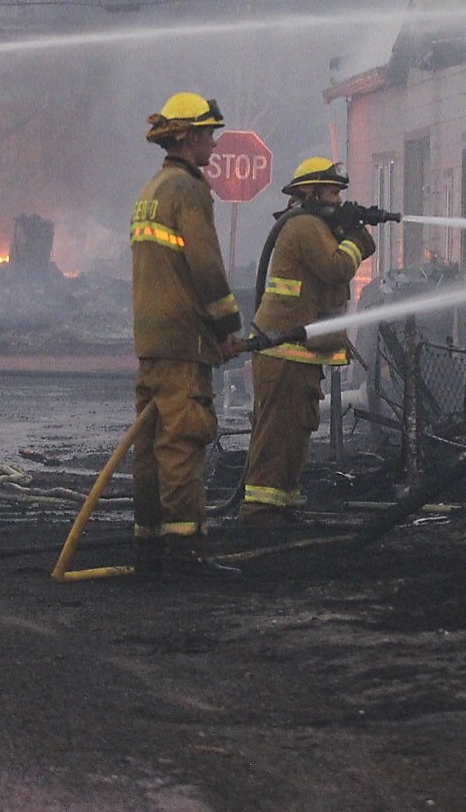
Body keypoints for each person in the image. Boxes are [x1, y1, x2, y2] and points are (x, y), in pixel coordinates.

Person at [130, 91, 245, 580]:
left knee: (152, 441)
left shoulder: (152, 189)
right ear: (188, 136)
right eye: (209, 134)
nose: (215, 145)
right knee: (183, 438)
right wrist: (227, 327)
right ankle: (185, 549)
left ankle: (151, 542)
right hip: (183, 338)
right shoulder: (188, 191)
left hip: (152, 337)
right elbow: (205, 265)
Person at [242, 157, 375, 529]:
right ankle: (259, 510)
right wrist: (352, 239)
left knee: (296, 427)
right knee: (277, 430)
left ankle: (281, 502)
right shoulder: (304, 225)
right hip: (282, 347)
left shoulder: (319, 226)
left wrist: (354, 230)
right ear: (309, 192)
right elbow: (335, 266)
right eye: (331, 191)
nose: (337, 198)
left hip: (299, 350)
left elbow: (352, 257)